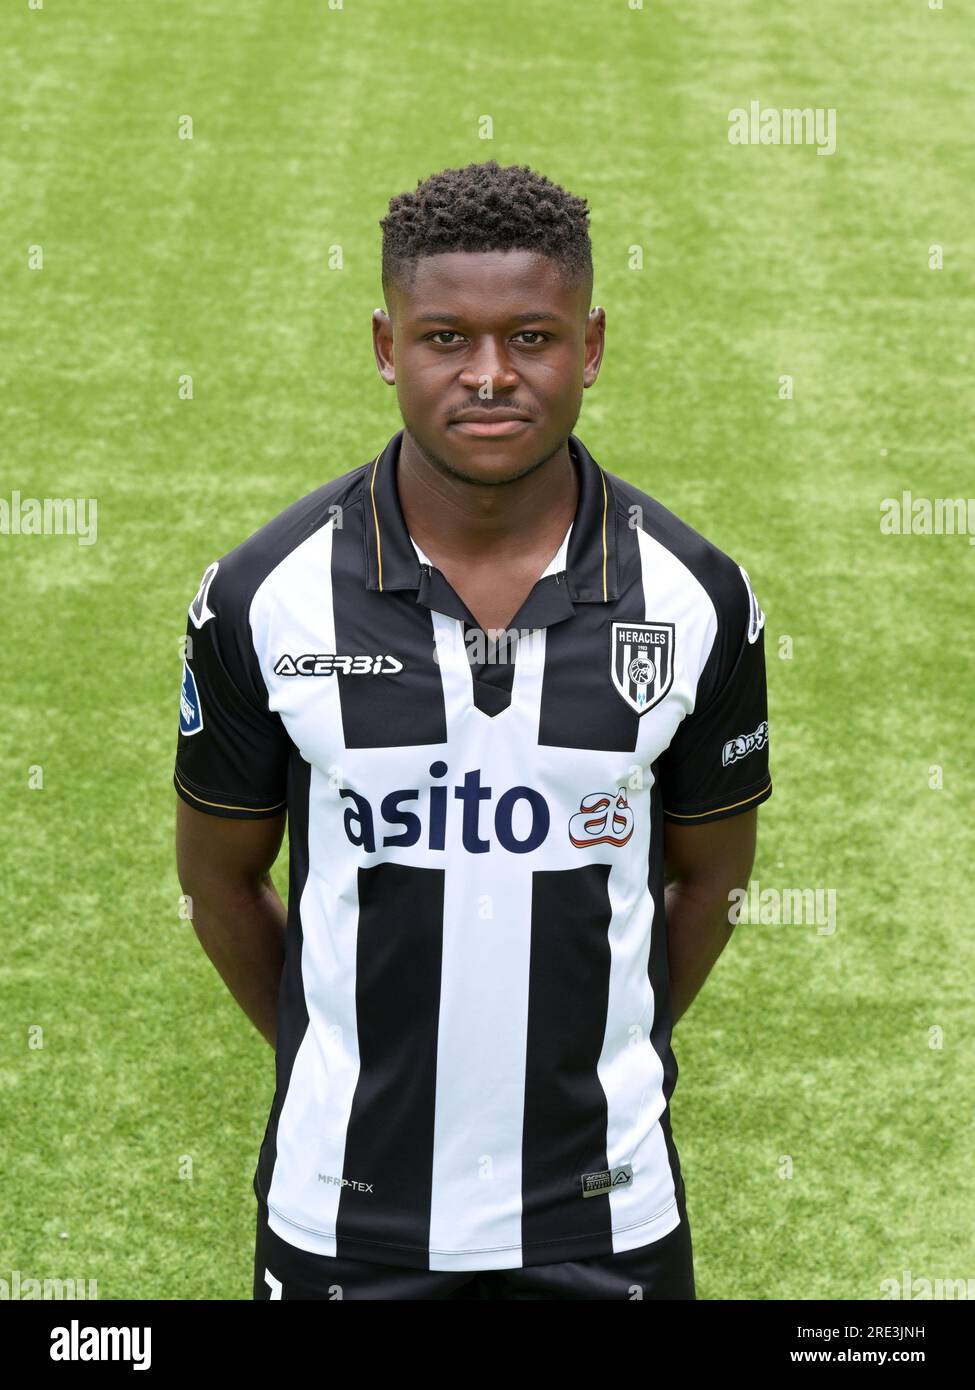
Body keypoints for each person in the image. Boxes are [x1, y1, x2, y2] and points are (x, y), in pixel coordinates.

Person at [173, 160, 772, 1300]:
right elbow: (219, 885)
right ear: (386, 346)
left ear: (590, 347)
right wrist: (350, 1068)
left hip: (607, 1213)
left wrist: (586, 1059)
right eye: (446, 337)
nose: (490, 376)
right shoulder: (263, 594)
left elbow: (709, 884)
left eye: (532, 338)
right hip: (342, 1215)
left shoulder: (698, 599)